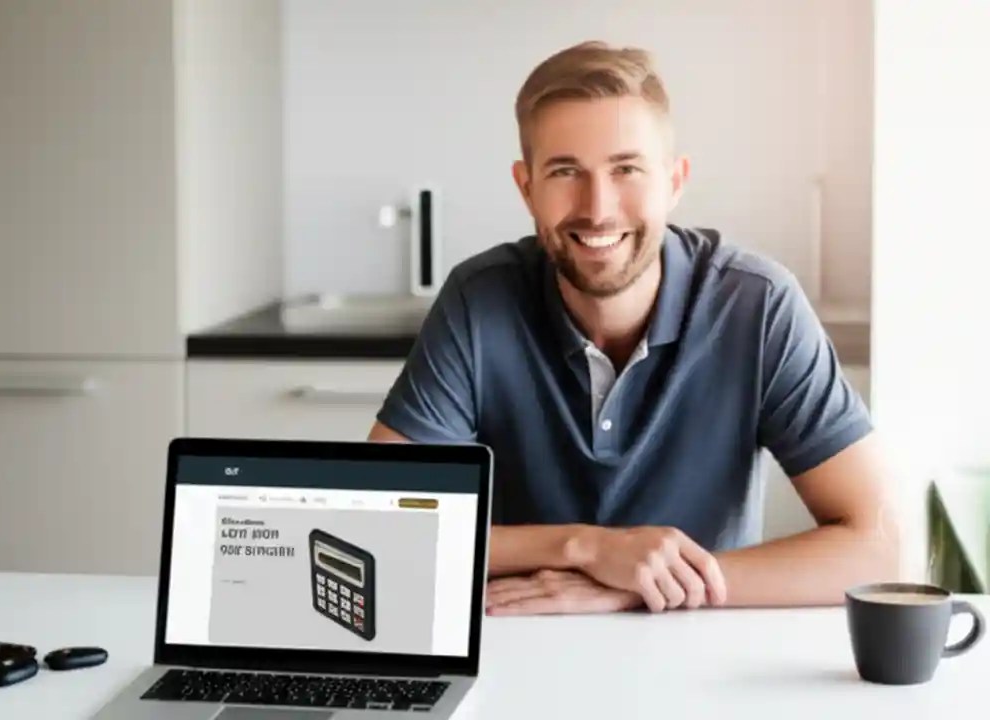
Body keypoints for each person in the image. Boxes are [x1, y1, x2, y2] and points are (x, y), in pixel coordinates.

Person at [368, 41, 899, 614]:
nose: (598, 208)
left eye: (626, 169)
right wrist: (586, 549)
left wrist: (640, 587)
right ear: (527, 188)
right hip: (525, 641)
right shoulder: (480, 300)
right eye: (566, 171)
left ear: (675, 181)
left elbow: (880, 549)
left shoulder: (757, 305)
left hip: (700, 647)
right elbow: (381, 522)